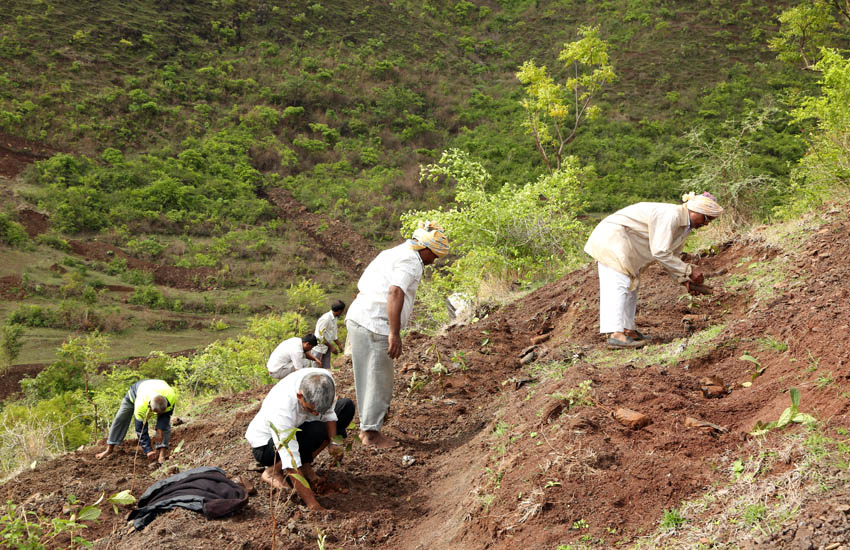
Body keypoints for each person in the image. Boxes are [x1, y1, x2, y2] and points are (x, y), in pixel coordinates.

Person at [346, 220, 449, 448]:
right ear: (425, 249)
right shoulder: (410, 261)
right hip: (375, 324)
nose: (434, 261)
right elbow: (394, 292)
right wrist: (394, 333)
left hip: (360, 316)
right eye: (434, 255)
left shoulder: (393, 252)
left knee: (365, 375)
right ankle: (371, 434)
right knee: (379, 378)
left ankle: (367, 428)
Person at [583, 192, 723, 349]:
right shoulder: (671, 215)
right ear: (695, 211)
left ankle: (628, 331)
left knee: (631, 286)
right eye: (706, 219)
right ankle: (616, 335)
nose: (706, 224)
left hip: (626, 245)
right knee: (619, 284)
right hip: (611, 239)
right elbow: (660, 252)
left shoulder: (684, 227)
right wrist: (689, 270)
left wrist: (685, 280)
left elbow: (671, 257)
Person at [244, 368, 355, 510]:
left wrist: (334, 442)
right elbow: (291, 462)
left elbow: (329, 413)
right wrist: (313, 504)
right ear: (299, 396)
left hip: (301, 427)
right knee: (318, 429)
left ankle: (306, 465)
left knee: (345, 407)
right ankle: (272, 471)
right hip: (267, 447)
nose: (316, 413)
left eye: (319, 411)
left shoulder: (325, 382)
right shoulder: (283, 409)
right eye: (312, 410)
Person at [96, 379, 177, 463]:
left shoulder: (171, 397)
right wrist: (148, 450)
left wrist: (160, 431)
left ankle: (162, 455)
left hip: (158, 386)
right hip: (135, 393)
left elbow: (165, 417)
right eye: (155, 412)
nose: (157, 414)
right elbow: (140, 429)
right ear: (149, 406)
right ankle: (109, 449)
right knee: (120, 418)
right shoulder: (141, 405)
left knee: (165, 427)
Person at [313, 300, 345, 369]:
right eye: (342, 311)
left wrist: (338, 344)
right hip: (319, 347)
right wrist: (331, 347)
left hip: (327, 346)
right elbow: (319, 336)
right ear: (339, 311)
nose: (342, 312)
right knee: (316, 368)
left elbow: (333, 333)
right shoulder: (325, 318)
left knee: (326, 367)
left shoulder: (335, 318)